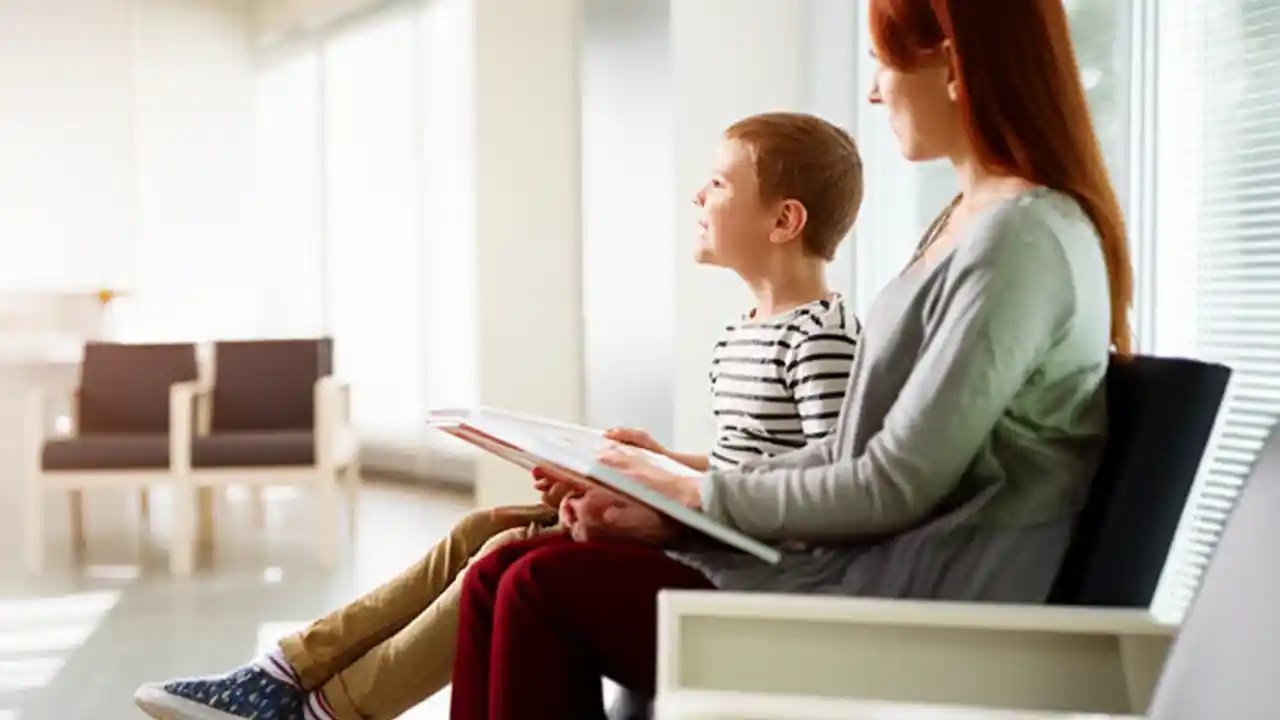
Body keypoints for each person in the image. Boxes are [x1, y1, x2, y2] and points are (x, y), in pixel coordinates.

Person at [447, 0, 1135, 718]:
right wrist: (672, 485)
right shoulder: (972, 225)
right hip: (866, 568)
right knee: (500, 573)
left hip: (913, 602)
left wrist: (687, 496)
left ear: (954, 65)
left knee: (538, 587)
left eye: (882, 64)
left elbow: (892, 482)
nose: (874, 91)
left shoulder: (1017, 246)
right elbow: (847, 455)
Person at [132, 111, 865, 720]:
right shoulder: (746, 329)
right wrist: (659, 464)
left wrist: (664, 498)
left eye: (717, 183)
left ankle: (321, 706)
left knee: (506, 553)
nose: (696, 198)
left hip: (741, 568)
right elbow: (755, 462)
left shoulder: (822, 336)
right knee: (480, 527)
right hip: (716, 537)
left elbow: (818, 489)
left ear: (784, 219)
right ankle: (284, 673)